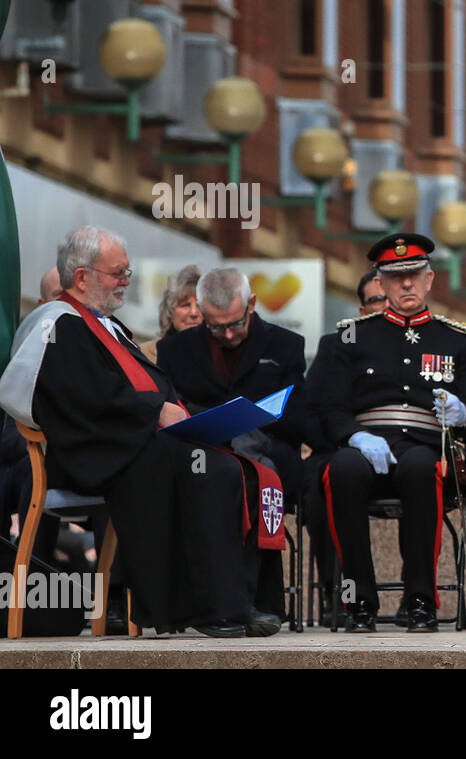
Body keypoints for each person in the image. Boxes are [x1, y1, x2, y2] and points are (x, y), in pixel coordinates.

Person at [0, 226, 282, 636]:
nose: (126, 282)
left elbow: (152, 389)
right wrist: (155, 412)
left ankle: (243, 602)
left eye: (127, 273)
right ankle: (205, 609)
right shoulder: (56, 324)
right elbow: (80, 397)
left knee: (238, 466)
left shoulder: (107, 327)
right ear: (82, 277)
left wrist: (193, 416)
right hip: (89, 453)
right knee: (205, 470)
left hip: (132, 442)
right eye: (118, 273)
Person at [319, 233, 466, 632]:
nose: (406, 284)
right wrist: (354, 435)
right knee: (342, 469)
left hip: (425, 444)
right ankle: (357, 602)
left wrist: (461, 414)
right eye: (396, 277)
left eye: (413, 275)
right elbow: (328, 405)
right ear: (381, 283)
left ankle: (420, 602)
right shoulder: (351, 337)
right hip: (368, 444)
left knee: (420, 469)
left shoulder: (457, 341)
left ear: (430, 279)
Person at [156, 267, 307, 619]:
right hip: (202, 451)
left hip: (269, 448)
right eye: (215, 326)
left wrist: (252, 421)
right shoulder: (174, 350)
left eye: (235, 324)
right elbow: (173, 405)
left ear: (251, 304)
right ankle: (219, 601)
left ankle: (257, 600)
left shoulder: (286, 345)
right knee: (220, 476)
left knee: (253, 477)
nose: (227, 334)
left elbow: (300, 417)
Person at [300, 269, 388, 621]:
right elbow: (307, 412)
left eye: (389, 297)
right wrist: (344, 442)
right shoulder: (336, 344)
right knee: (320, 483)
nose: (384, 305)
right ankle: (338, 592)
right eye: (375, 300)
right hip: (338, 449)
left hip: (400, 453)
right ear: (361, 309)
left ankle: (419, 599)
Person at [140, 264, 202, 363]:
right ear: (170, 311)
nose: (194, 313)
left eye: (200, 305)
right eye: (185, 305)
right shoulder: (145, 354)